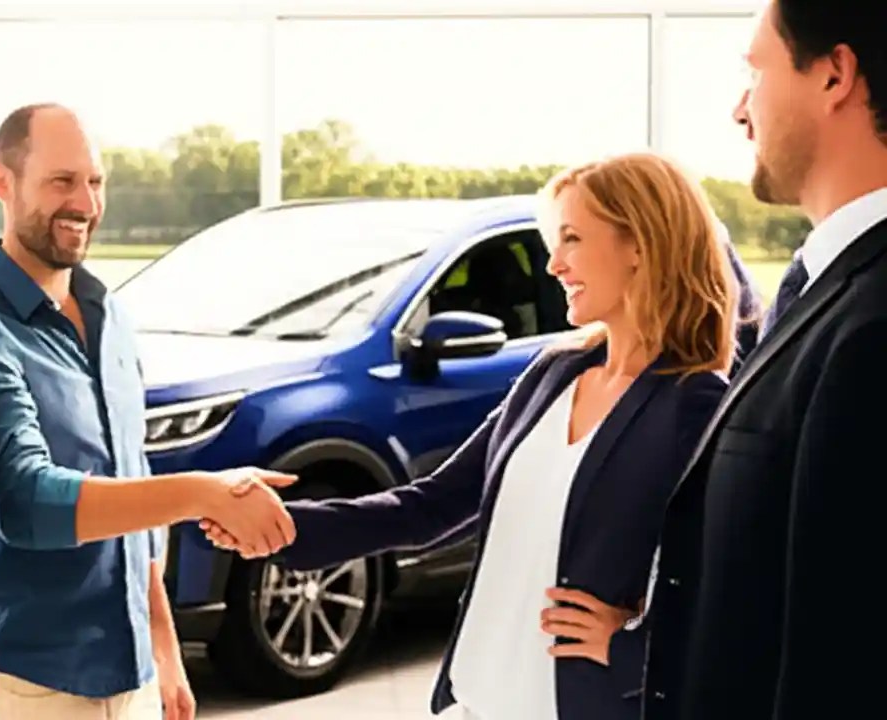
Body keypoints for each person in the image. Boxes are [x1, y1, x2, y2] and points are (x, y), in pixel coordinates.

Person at [204, 152, 739, 720]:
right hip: (476, 696)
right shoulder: (553, 373)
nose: (554, 264)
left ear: (641, 245)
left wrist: (634, 645)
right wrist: (285, 528)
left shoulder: (695, 403)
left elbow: (729, 583)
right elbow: (432, 505)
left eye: (573, 239)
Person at [0, 103, 297, 720]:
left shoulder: (112, 318)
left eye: (95, 181)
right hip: (33, 684)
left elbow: (132, 480)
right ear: (1, 184)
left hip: (136, 674)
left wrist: (164, 645)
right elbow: (25, 500)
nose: (85, 203)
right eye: (61, 181)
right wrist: (203, 494)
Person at [639, 3, 887, 718]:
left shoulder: (874, 326)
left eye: (756, 70)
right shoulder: (823, 293)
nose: (739, 109)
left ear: (835, 75)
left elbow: (846, 655)